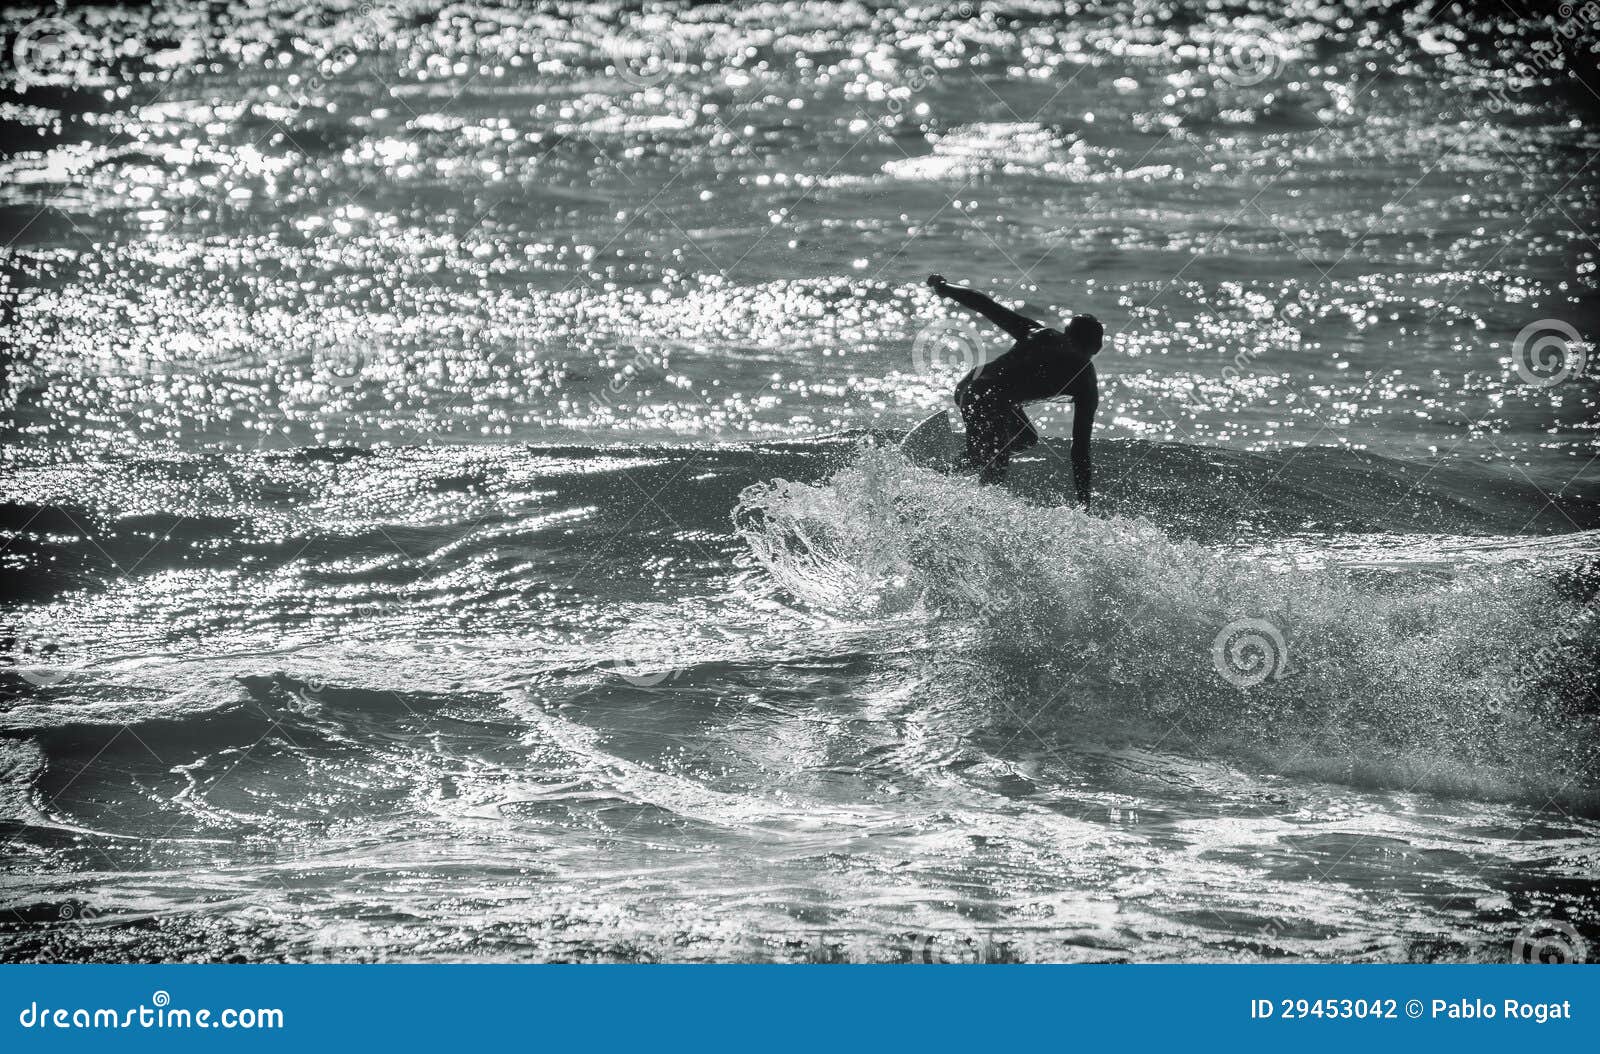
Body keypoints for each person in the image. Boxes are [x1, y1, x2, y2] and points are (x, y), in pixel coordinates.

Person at [926, 274, 1102, 505]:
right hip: (986, 396)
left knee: (1023, 440)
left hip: (972, 387)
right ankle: (933, 485)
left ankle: (938, 475)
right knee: (992, 462)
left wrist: (944, 287)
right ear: (1097, 347)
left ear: (1067, 332)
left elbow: (985, 304)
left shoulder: (1039, 334)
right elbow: (1080, 451)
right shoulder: (1084, 380)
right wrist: (1084, 503)